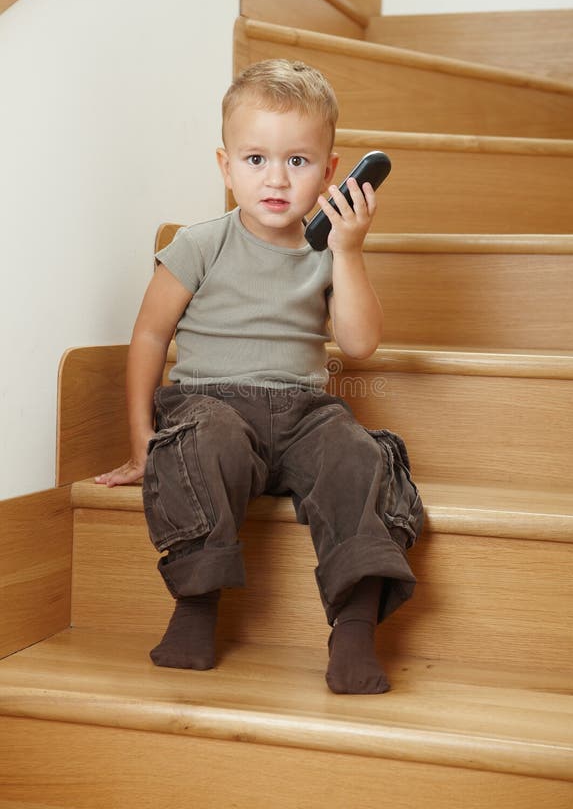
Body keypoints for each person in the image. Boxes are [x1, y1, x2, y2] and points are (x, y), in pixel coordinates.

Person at [95, 59, 423, 694]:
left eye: (298, 162)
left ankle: (354, 626)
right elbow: (149, 337)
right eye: (255, 160)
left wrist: (349, 253)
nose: (276, 178)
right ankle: (196, 606)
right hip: (208, 403)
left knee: (357, 454)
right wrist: (142, 441)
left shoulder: (329, 252)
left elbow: (358, 344)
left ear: (331, 174)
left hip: (304, 412)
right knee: (203, 439)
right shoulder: (199, 244)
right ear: (225, 166)